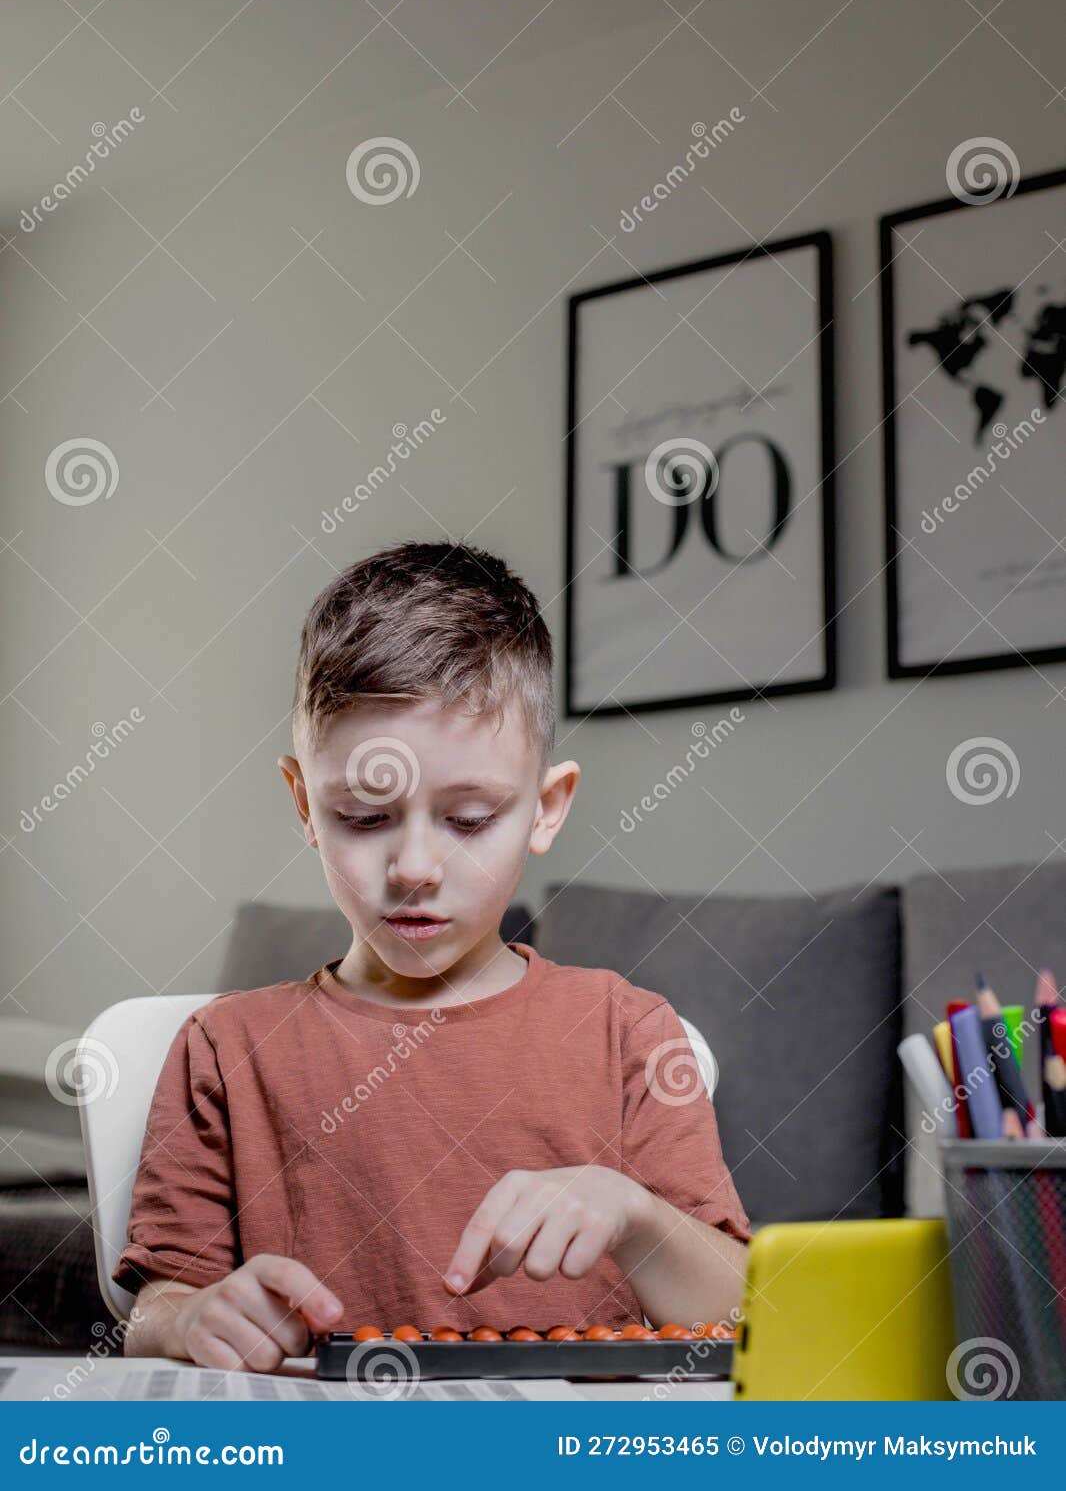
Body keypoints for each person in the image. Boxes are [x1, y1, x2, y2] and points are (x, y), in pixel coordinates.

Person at [119, 541, 750, 1370]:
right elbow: (153, 1310)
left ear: (545, 808)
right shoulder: (224, 1047)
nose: (416, 867)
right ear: (305, 803)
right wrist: (193, 1316)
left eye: (469, 819)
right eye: (364, 816)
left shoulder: (627, 1032)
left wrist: (633, 1213)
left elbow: (743, 1306)